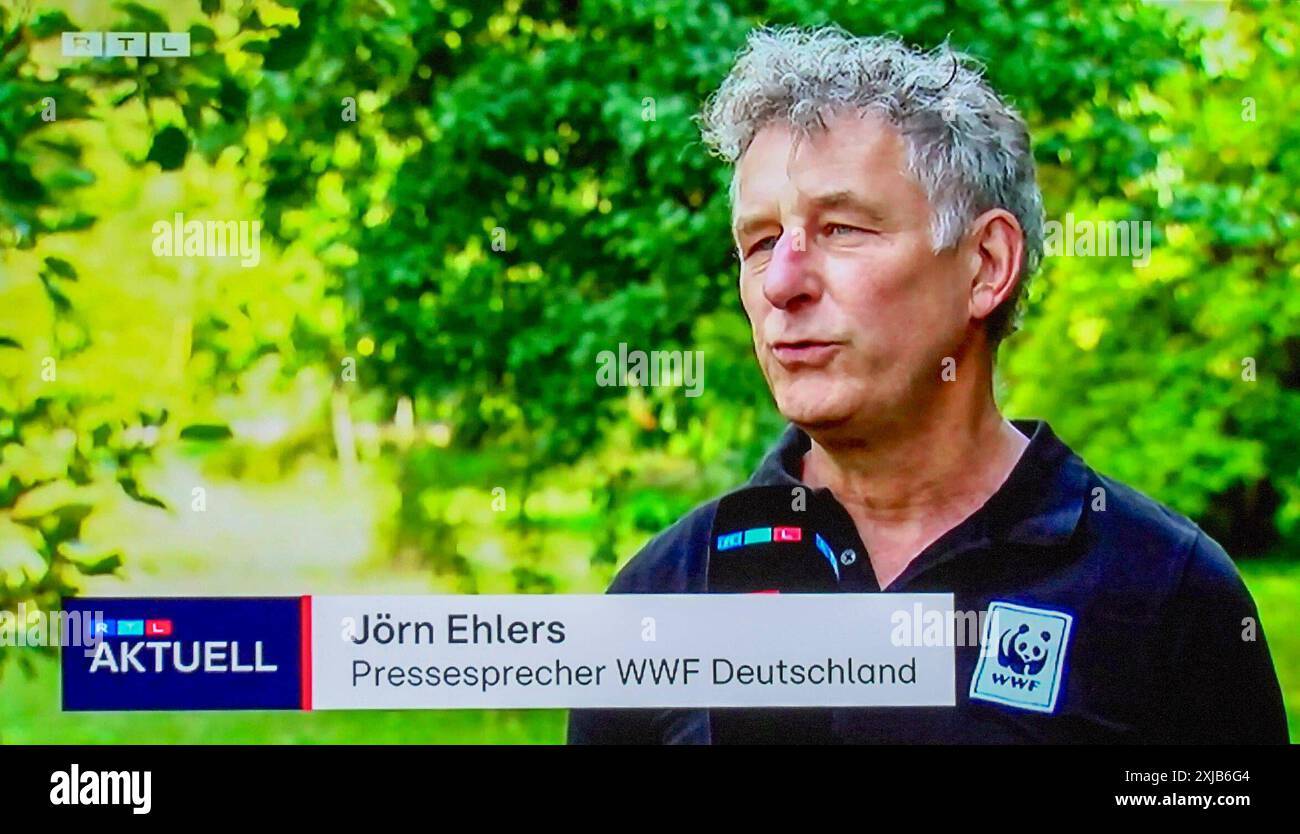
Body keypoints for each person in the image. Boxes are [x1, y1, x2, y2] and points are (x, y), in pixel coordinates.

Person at [567, 25, 1288, 744]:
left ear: (985, 265)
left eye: (842, 228)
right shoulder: (660, 597)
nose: (782, 282)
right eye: (759, 242)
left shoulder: (1166, 595)